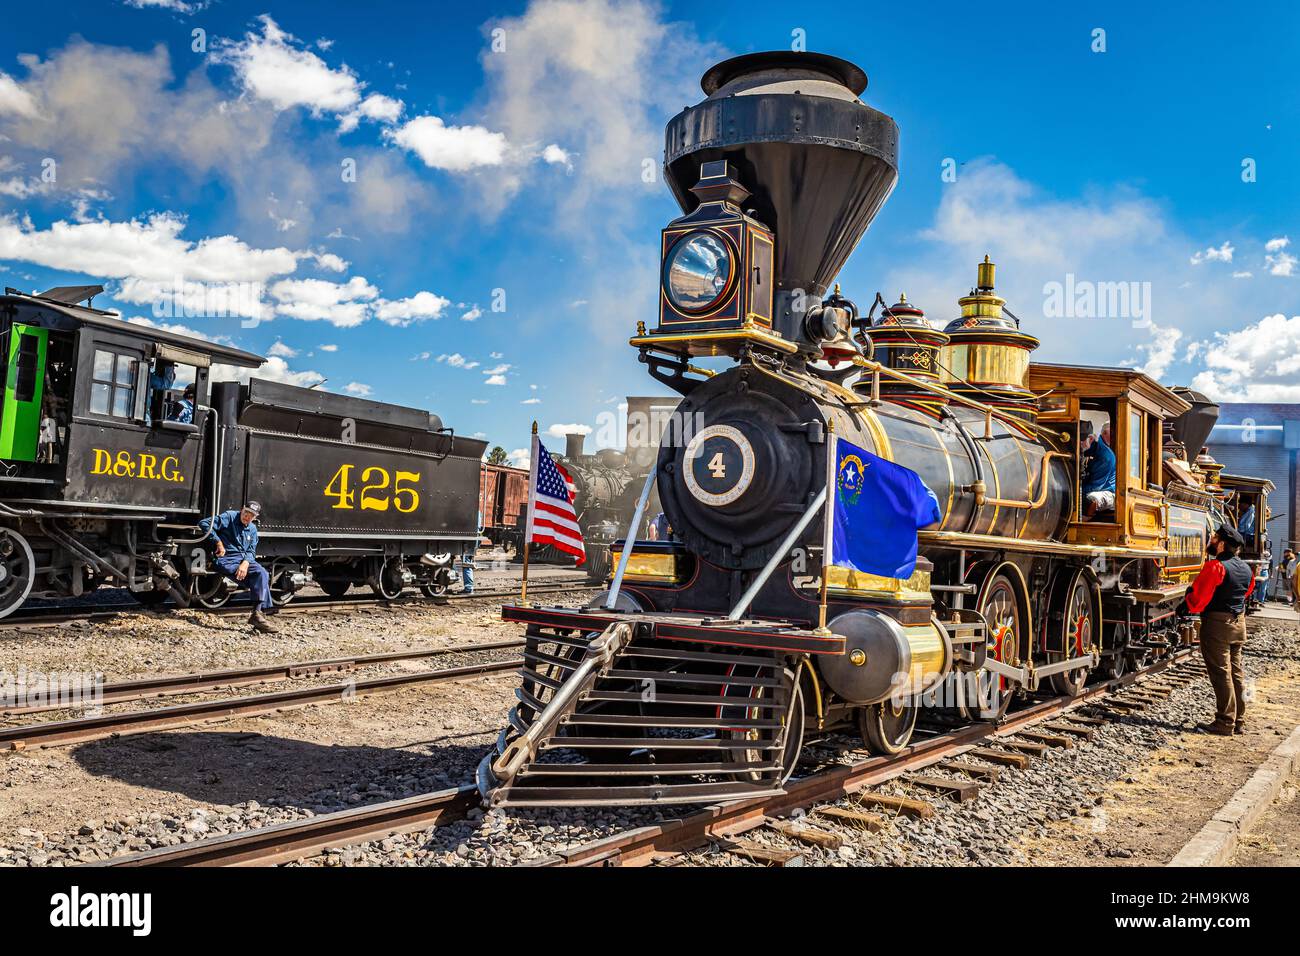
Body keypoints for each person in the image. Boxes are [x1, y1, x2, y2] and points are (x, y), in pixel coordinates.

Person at [1183, 524, 1253, 735]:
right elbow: (1247, 592)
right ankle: (1238, 719)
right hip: (1238, 623)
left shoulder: (1216, 566)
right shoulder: (1246, 568)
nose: (1211, 541)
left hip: (1217, 625)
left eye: (1214, 538)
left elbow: (1199, 599)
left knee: (1221, 673)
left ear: (1222, 544)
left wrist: (1187, 600)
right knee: (1236, 672)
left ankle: (1224, 721)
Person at [199, 501, 276, 633]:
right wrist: (218, 542)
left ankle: (257, 613)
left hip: (243, 560)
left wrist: (245, 563)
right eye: (246, 512)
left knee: (262, 573)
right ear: (242, 509)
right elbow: (204, 523)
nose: (247, 516)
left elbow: (251, 551)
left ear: (255, 517)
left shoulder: (252, 529)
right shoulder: (229, 516)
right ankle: (260, 614)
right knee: (256, 580)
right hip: (226, 558)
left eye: (251, 515)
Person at [1080, 421, 1116, 518]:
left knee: (1088, 499)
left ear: (1091, 439)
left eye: (1080, 441)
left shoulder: (1105, 457)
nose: (1077, 444)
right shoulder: (1087, 449)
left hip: (1106, 490)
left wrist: (1075, 489)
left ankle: (1085, 521)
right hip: (1091, 485)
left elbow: (1096, 486)